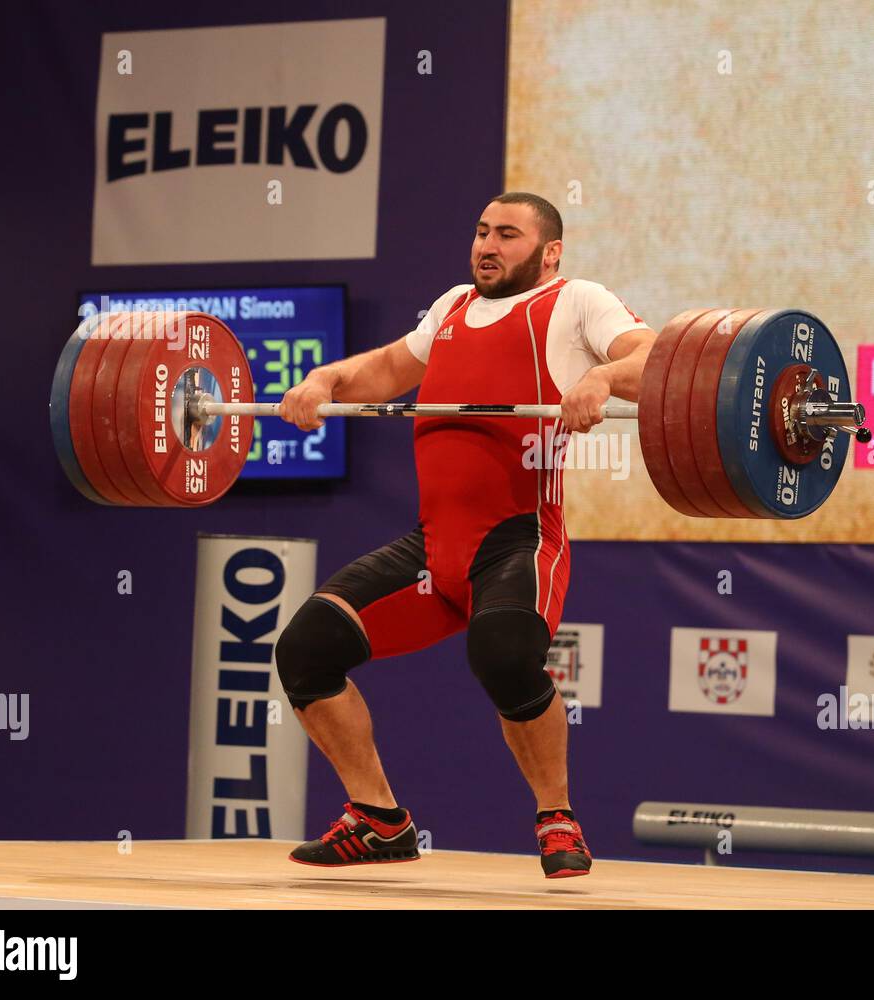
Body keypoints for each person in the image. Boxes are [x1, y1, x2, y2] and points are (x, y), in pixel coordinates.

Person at [273, 192, 655, 878]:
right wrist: (324, 379)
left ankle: (556, 817)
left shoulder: (576, 302)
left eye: (507, 235)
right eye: (482, 232)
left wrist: (601, 377)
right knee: (305, 651)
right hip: (432, 549)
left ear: (550, 252)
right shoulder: (452, 306)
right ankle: (379, 820)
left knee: (504, 656)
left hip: (518, 541)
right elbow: (387, 369)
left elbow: (653, 359)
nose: (487, 246)